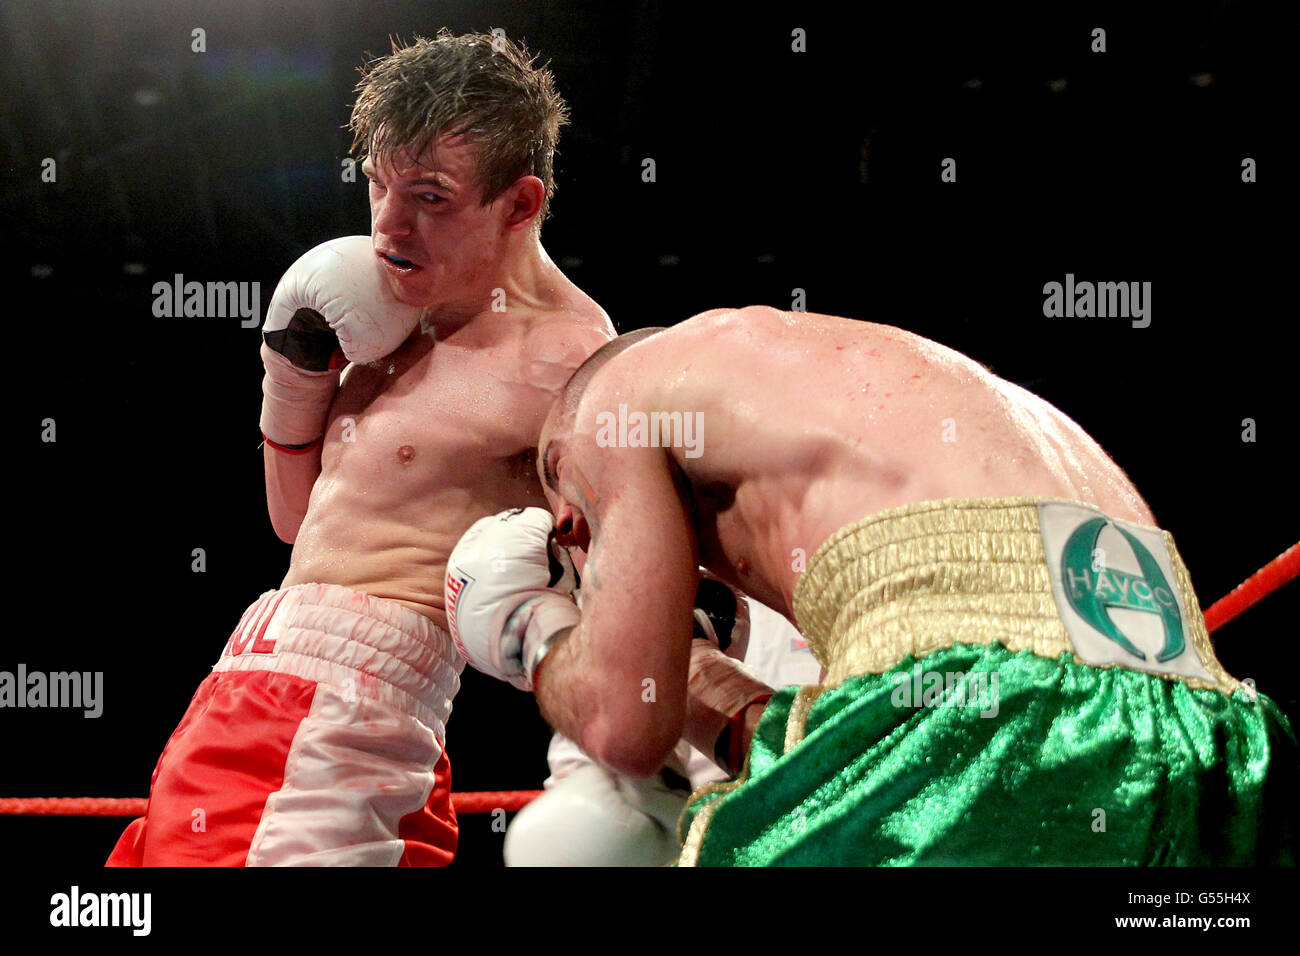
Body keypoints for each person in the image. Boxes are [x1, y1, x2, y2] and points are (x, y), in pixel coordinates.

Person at [446, 307, 1298, 866]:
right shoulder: (879, 391)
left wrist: (538, 630)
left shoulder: (609, 411)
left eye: (577, 526)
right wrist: (698, 666)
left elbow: (623, 724)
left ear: (566, 504)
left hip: (999, 726)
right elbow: (933, 730)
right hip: (1219, 741)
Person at [107, 30, 614, 866]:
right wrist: (294, 378)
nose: (388, 225)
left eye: (430, 196)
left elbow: (619, 573)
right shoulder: (390, 309)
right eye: (377, 184)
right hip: (268, 678)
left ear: (520, 204)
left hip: (333, 711)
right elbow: (293, 521)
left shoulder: (565, 362)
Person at [503, 597, 818, 866]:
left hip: (815, 820)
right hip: (686, 820)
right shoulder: (645, 582)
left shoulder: (840, 584)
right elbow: (585, 804)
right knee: (576, 836)